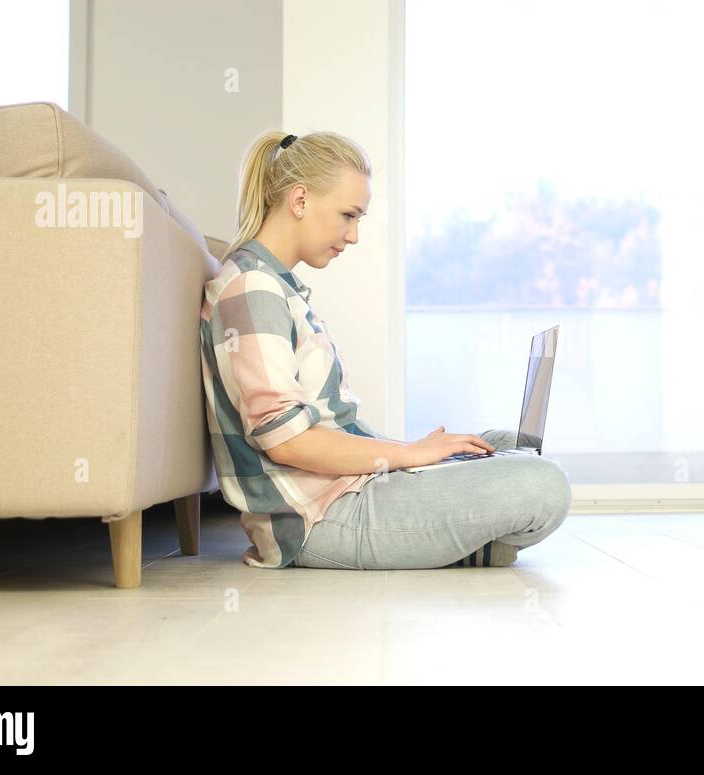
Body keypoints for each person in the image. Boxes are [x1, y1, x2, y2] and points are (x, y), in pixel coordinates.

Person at [200, 130, 572, 570]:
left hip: (347, 489)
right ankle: (461, 542)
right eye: (347, 215)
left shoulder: (276, 285)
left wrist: (410, 453)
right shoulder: (252, 288)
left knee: (503, 445)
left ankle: (456, 540)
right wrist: (411, 455)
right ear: (299, 200)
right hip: (319, 519)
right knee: (542, 484)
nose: (353, 235)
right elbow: (287, 443)